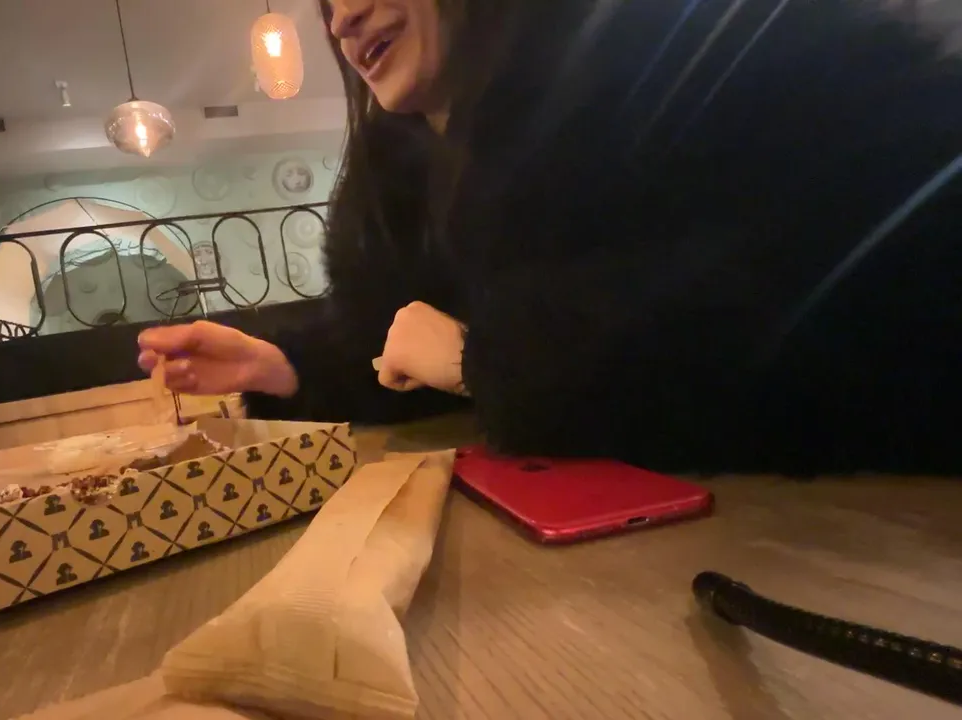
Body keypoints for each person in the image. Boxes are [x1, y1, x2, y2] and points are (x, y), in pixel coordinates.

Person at [141, 0, 962, 475]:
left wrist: (489, 359)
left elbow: (821, 329)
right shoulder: (417, 180)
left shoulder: (663, 77)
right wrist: (283, 365)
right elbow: (403, 345)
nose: (342, 18)